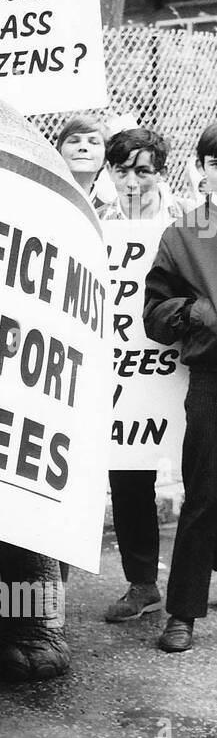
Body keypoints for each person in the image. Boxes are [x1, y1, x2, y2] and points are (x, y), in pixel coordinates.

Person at [97, 128, 188, 625]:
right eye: (122, 170)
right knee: (128, 473)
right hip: (125, 375)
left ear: (162, 173)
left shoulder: (189, 223)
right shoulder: (95, 223)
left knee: (199, 471)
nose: (131, 181)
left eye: (143, 170)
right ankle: (142, 584)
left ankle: (205, 573)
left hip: (180, 365)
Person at [143, 122, 217, 651]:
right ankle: (183, 613)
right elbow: (152, 315)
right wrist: (198, 312)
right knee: (204, 494)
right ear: (203, 168)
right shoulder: (183, 233)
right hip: (212, 378)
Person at [56, 113, 111, 209]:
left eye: (94, 142)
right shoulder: (40, 199)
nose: (83, 147)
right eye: (74, 141)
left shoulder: (112, 213)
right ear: (59, 152)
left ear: (105, 158)